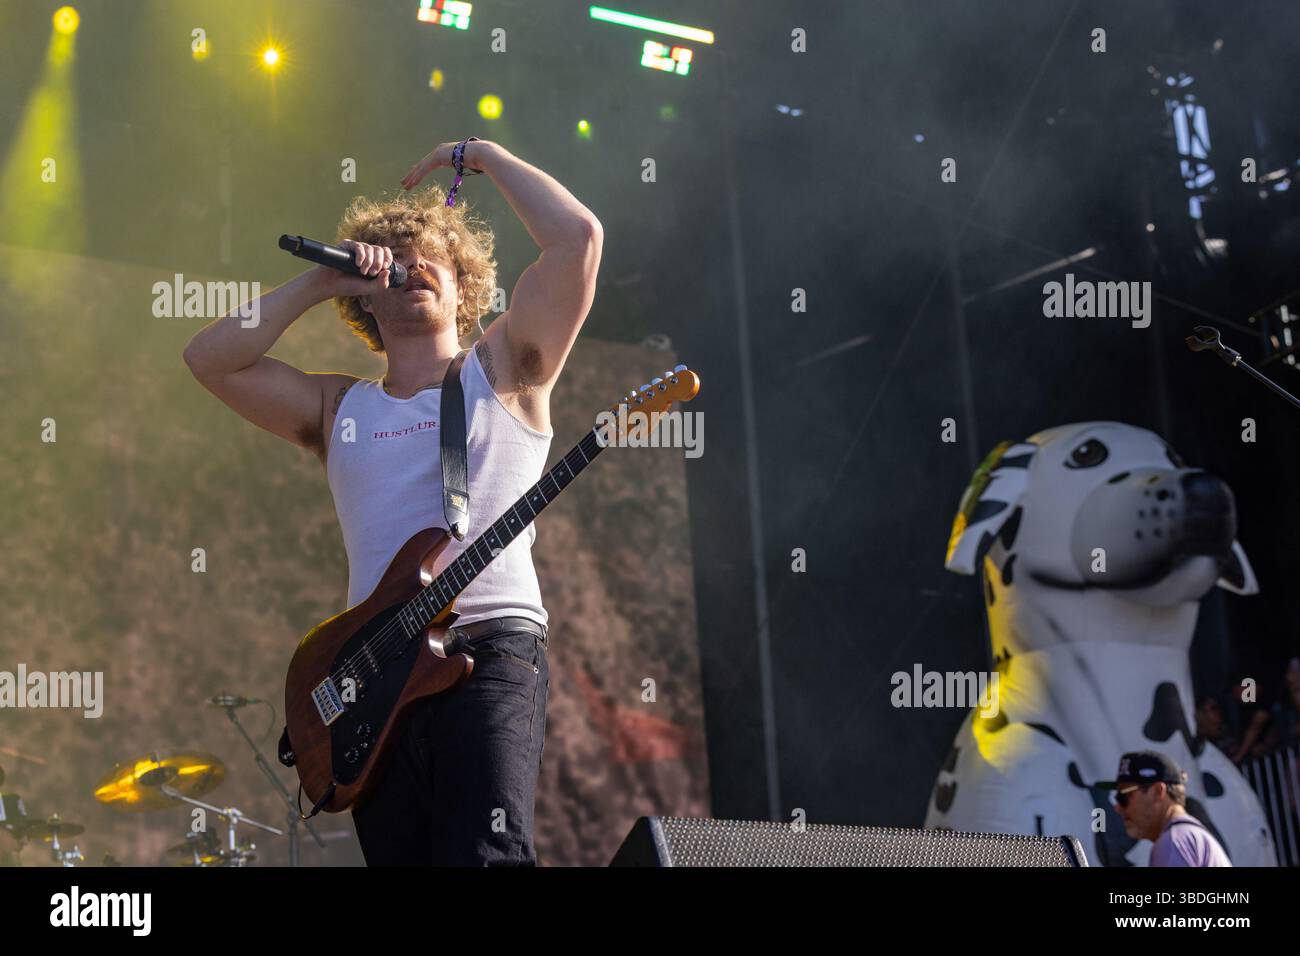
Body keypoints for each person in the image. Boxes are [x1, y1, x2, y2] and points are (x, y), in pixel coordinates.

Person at [184, 138, 603, 865]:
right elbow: (210, 358)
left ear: (464, 282)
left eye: (432, 256)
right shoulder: (339, 405)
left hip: (488, 645)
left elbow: (577, 240)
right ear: (364, 293)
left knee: (483, 856)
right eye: (393, 259)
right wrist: (319, 283)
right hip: (374, 673)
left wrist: (491, 159)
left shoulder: (503, 371)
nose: (413, 266)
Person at [1101, 751, 1232, 867]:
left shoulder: (1174, 842)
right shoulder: (1187, 836)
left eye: (1124, 795)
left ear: (1158, 791)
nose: (1117, 807)